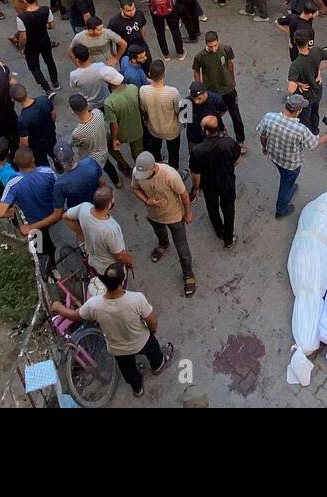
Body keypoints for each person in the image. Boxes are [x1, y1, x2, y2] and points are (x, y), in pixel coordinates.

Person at [50, 261, 173, 397]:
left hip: (118, 349)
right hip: (141, 340)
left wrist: (57, 307)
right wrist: (151, 332)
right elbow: (152, 321)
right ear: (122, 281)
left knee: (128, 369)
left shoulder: (94, 305)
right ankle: (158, 365)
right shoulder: (136, 299)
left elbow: (73, 315)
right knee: (153, 349)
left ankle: (137, 388)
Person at [257, 93, 327, 219]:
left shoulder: (269, 117)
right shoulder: (301, 130)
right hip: (291, 164)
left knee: (285, 178)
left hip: (274, 156)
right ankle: (281, 210)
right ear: (298, 111)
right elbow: (315, 144)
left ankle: (290, 186)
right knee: (285, 185)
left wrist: (264, 147)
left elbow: (263, 135)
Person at [130, 150, 196, 297]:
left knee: (182, 249)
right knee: (159, 232)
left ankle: (188, 274)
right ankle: (163, 245)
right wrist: (147, 201)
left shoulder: (170, 175)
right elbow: (135, 188)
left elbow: (184, 194)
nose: (142, 177)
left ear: (154, 167)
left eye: (146, 173)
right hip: (153, 214)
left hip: (174, 216)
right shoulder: (138, 172)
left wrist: (188, 213)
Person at [189, 114, 244, 249]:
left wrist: (196, 188)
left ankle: (219, 231)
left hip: (209, 185)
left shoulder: (198, 150)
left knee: (212, 208)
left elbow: (196, 173)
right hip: (227, 182)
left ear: (206, 131)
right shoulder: (229, 142)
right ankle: (228, 239)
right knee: (229, 210)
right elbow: (236, 160)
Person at [191, 31, 245, 144]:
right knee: (214, 114)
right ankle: (220, 129)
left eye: (215, 45)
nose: (214, 49)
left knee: (236, 115)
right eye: (211, 46)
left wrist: (232, 79)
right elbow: (196, 71)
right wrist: (199, 86)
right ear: (206, 44)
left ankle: (240, 140)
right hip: (212, 90)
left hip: (228, 88)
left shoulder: (226, 49)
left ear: (218, 42)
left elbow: (230, 63)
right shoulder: (200, 56)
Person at [287, 29, 327, 134]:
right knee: (315, 113)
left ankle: (308, 135)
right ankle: (315, 131)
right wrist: (319, 69)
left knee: (305, 117)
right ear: (308, 42)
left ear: (294, 42)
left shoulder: (296, 65)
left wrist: (297, 83)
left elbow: (290, 90)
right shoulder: (317, 51)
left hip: (305, 96)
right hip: (318, 90)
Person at [139, 59, 183, 169]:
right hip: (171, 130)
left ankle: (157, 161)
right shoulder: (173, 92)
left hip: (153, 128)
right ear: (164, 74)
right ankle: (173, 170)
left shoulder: (143, 90)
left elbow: (143, 109)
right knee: (173, 152)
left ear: (149, 74)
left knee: (155, 147)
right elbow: (179, 111)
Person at [14, 0, 59, 94]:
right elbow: (52, 26)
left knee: (34, 67)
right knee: (49, 61)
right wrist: (43, 25)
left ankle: (47, 88)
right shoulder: (46, 10)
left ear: (25, 1)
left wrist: (21, 48)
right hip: (44, 41)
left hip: (31, 45)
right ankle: (55, 82)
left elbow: (23, 37)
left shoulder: (21, 18)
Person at [13, 83, 56, 167]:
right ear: (26, 91)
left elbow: (24, 142)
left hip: (37, 146)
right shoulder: (44, 100)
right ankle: (59, 167)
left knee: (42, 164)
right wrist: (51, 125)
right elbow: (53, 114)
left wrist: (23, 151)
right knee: (55, 155)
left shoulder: (23, 119)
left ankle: (47, 175)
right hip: (51, 136)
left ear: (15, 100)